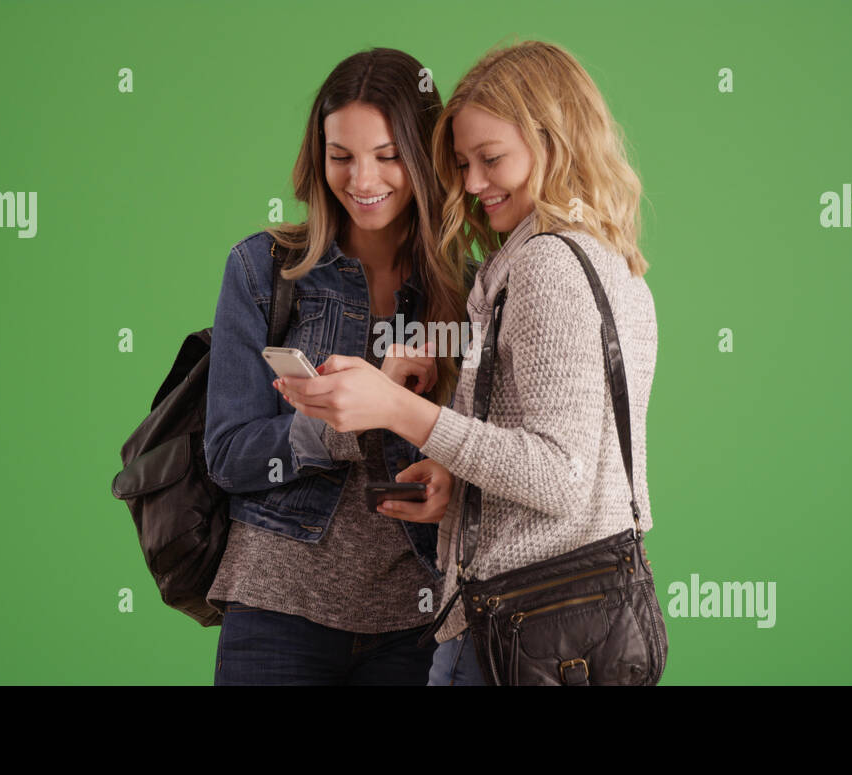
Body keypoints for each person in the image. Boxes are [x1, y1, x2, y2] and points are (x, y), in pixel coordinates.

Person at [279, 40, 658, 685]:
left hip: (518, 624)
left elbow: (554, 476)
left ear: (555, 143)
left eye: (491, 160)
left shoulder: (545, 265)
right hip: (578, 622)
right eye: (461, 163)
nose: (473, 184)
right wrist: (454, 467)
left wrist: (400, 408)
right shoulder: (604, 258)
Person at [203, 48, 471, 685]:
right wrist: (340, 423)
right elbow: (227, 454)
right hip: (276, 610)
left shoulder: (471, 289)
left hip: (419, 618)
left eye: (387, 155)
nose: (361, 179)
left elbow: (493, 451)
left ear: (425, 155)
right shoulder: (263, 269)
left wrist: (454, 489)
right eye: (341, 156)